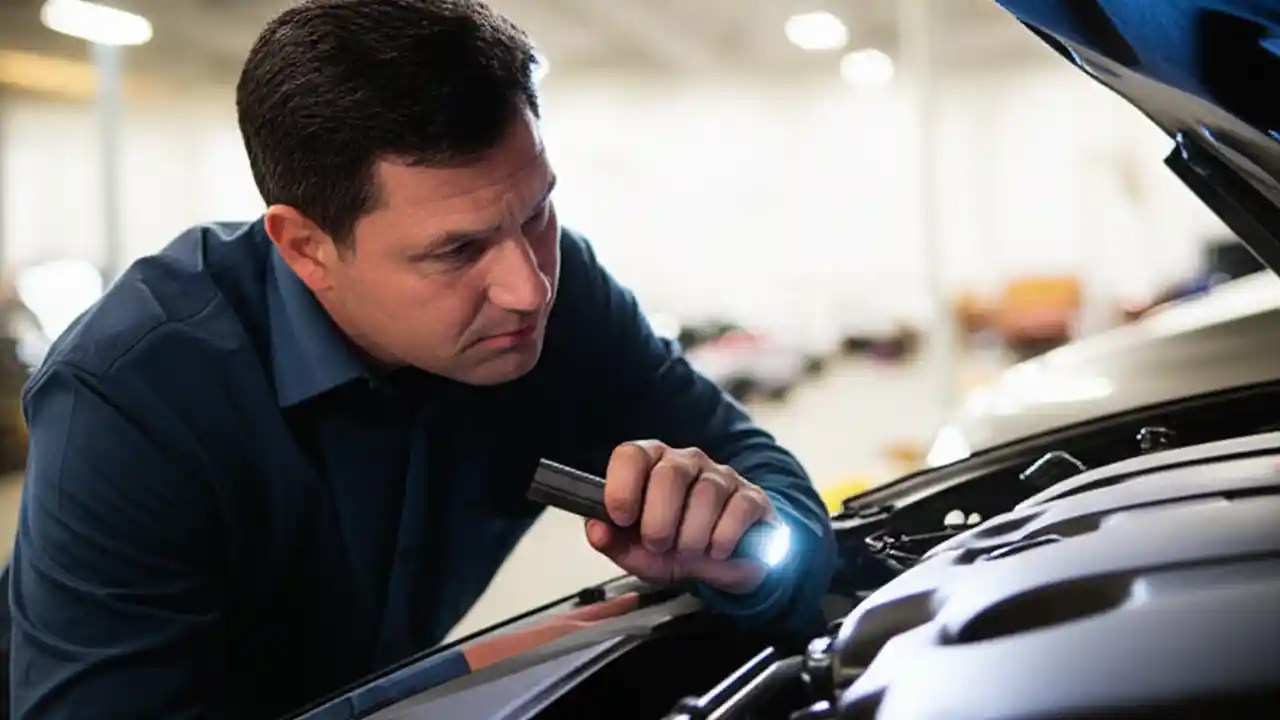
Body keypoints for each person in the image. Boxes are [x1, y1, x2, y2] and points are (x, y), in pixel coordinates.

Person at [5, 0, 837, 717]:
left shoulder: (562, 292)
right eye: (456, 250)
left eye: (537, 211)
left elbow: (785, 502)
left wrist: (740, 553)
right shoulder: (132, 395)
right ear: (306, 247)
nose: (527, 285)